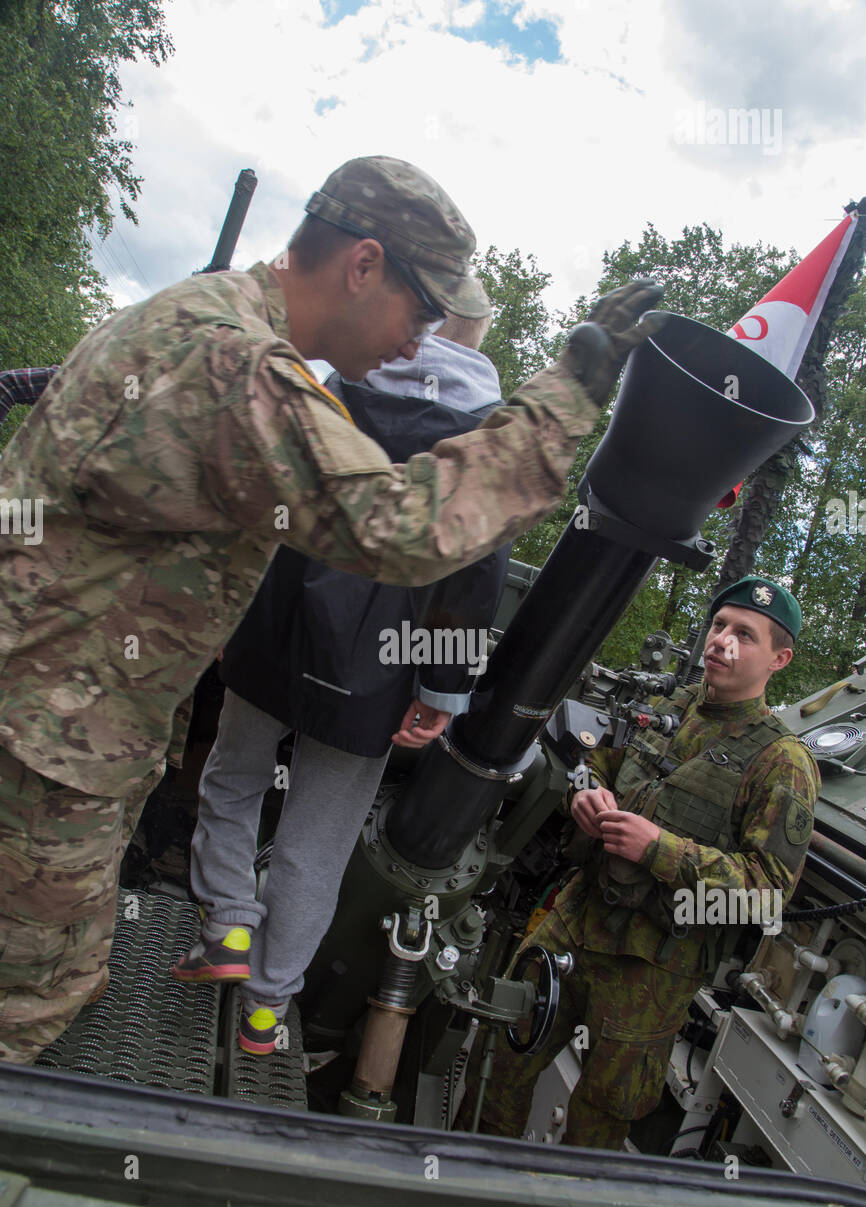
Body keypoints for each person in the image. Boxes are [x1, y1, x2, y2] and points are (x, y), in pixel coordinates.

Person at [0, 151, 664, 1063]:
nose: (415, 344)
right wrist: (566, 395)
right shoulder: (240, 365)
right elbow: (400, 526)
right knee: (28, 1004)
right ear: (363, 265)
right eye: (420, 312)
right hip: (50, 746)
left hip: (59, 721)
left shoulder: (202, 316)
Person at [171, 305, 511, 1054]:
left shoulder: (340, 383)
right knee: (316, 846)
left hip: (280, 622)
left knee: (233, 780)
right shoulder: (486, 435)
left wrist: (236, 616)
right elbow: (477, 569)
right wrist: (440, 689)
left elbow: (267, 498)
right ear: (478, 334)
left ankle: (227, 927)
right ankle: (267, 1010)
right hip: (382, 664)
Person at [457, 577, 820, 1150]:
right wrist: (585, 792)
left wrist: (658, 849)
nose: (721, 641)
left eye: (744, 635)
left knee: (601, 1113)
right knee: (502, 1050)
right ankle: (462, 1185)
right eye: (720, 625)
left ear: (779, 657)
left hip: (655, 964)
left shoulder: (781, 762)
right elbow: (595, 759)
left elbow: (769, 893)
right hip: (577, 917)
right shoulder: (666, 707)